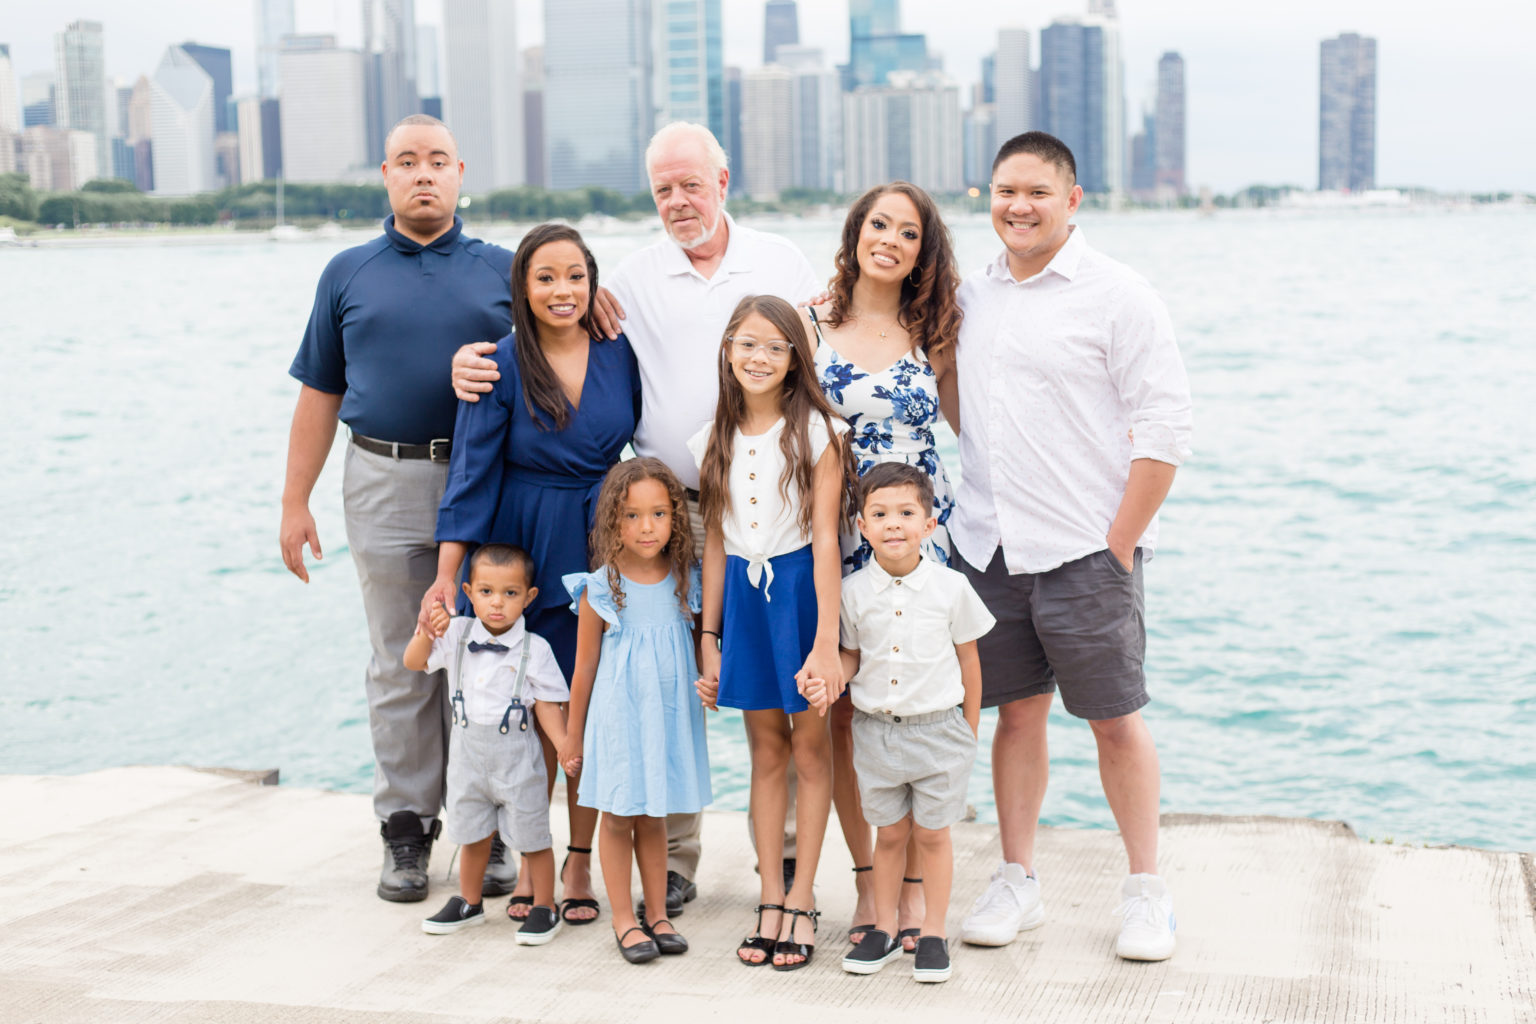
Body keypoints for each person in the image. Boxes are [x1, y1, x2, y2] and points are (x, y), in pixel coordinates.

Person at [452, 122, 819, 917]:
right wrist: (470, 357)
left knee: (782, 682)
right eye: (663, 190)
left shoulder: (785, 262)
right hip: (668, 509)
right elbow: (551, 325)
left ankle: (785, 858)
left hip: (772, 506)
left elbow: (819, 355)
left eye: (692, 184)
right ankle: (674, 857)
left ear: (724, 180)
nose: (679, 201)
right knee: (664, 680)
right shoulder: (627, 278)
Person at [952, 132, 1193, 962]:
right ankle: (1017, 879)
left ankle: (1146, 893)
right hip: (988, 547)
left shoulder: (1118, 295)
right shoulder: (968, 294)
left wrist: (1119, 543)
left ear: (1072, 199)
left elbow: (1165, 429)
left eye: (1036, 192)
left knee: (1115, 723)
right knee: (1015, 719)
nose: (1017, 206)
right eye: (1003, 190)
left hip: (1087, 549)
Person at [280, 114, 523, 903]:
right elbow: (320, 392)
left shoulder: (505, 270)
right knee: (401, 658)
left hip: (486, 481)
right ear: (385, 174)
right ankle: (407, 831)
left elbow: (567, 343)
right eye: (408, 162)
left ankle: (487, 829)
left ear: (462, 174)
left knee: (491, 651)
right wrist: (295, 500)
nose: (424, 174)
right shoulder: (348, 272)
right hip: (381, 478)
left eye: (439, 162)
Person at [421, 223, 640, 926]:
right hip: (522, 541)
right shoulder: (500, 363)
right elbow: (471, 473)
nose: (562, 290)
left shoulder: (618, 350)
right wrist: (447, 579)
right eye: (545, 277)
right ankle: (532, 855)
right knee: (526, 718)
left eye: (575, 275)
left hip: (601, 544)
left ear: (592, 281)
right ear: (521, 287)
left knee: (587, 711)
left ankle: (580, 860)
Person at [804, 181, 963, 951]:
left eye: (908, 232)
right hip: (839, 533)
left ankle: (912, 889)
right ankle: (868, 882)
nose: (890, 240)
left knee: (918, 700)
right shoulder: (810, 323)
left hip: (920, 539)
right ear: (855, 231)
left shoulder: (935, 329)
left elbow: (976, 425)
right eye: (878, 224)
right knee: (846, 710)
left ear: (922, 251)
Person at [690, 295, 855, 971]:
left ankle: (805, 898)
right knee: (764, 752)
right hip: (745, 610)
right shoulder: (710, 435)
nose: (759, 358)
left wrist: (824, 643)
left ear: (795, 360)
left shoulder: (819, 430)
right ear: (728, 349)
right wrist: (710, 634)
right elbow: (716, 543)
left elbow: (825, 543)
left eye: (775, 347)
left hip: (799, 598)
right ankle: (769, 897)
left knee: (812, 751)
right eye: (747, 344)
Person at [818, 463, 994, 984]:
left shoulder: (951, 588)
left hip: (940, 732)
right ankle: (883, 927)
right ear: (863, 526)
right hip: (876, 732)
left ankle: (934, 932)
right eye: (880, 514)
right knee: (890, 835)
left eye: (906, 513)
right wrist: (829, 678)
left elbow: (970, 663)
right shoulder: (853, 592)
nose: (893, 524)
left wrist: (970, 729)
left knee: (934, 837)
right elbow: (851, 658)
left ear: (929, 524)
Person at [557, 458, 711, 964]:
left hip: (667, 715)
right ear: (611, 522)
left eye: (659, 514)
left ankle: (657, 914)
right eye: (631, 516)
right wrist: (571, 737)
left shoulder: (686, 579)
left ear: (675, 518)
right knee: (620, 816)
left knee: (655, 816)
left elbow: (698, 646)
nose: (647, 528)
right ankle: (624, 919)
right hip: (619, 717)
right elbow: (583, 670)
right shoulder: (599, 587)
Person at [402, 544, 568, 945]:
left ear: (529, 598)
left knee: (533, 836)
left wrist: (564, 745)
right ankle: (469, 901)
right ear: (468, 592)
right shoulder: (456, 634)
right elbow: (412, 662)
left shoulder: (535, 648)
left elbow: (547, 703)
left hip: (518, 762)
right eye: (486, 592)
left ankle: (545, 905)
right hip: (468, 759)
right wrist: (426, 630)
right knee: (472, 833)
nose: (497, 603)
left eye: (510, 593)